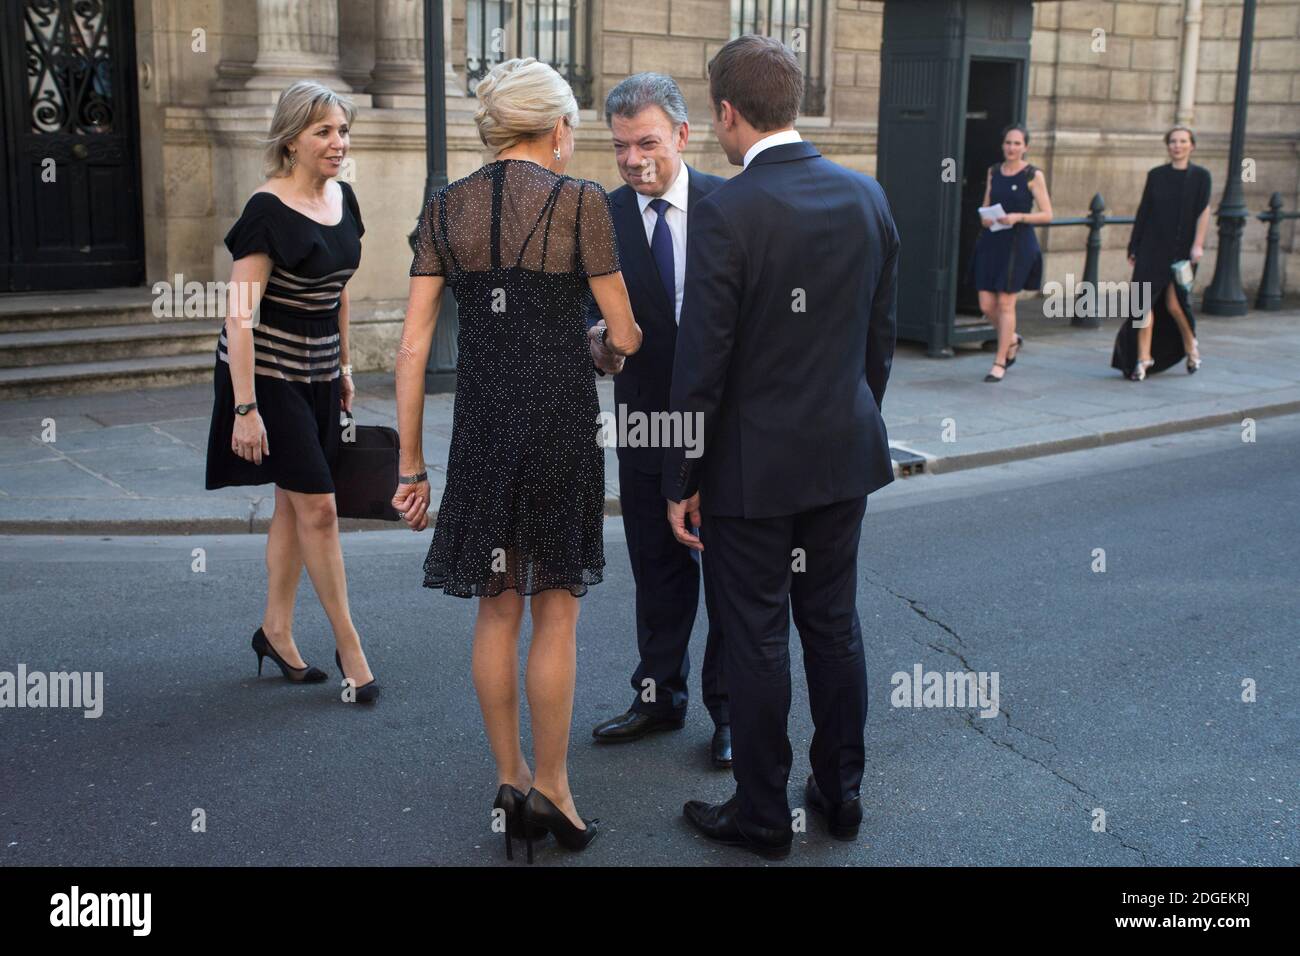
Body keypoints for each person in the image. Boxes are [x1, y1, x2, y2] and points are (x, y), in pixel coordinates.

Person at [392, 58, 642, 863]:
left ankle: (508, 778)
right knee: (556, 607)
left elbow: (412, 346)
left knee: (495, 606)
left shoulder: (446, 208)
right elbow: (626, 334)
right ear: (557, 127)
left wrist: (409, 467)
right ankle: (554, 790)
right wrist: (601, 347)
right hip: (560, 426)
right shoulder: (580, 204)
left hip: (481, 432)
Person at [661, 36, 899, 860]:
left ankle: (763, 814)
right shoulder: (867, 196)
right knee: (833, 624)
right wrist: (849, 418)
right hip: (841, 457)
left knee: (757, 635)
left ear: (727, 112)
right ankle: (841, 793)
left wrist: (679, 476)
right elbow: (880, 341)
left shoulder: (726, 208)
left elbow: (703, 361)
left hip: (748, 471)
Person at [205, 80, 379, 704]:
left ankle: (275, 630)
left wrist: (348, 368)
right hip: (270, 377)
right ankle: (350, 647)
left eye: (342, 130)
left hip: (321, 373)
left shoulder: (345, 199)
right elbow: (239, 317)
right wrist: (245, 407)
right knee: (320, 508)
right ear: (292, 139)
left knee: (292, 503)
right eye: (324, 132)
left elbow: (339, 288)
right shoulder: (265, 211)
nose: (339, 143)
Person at [586, 72, 732, 768]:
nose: (633, 159)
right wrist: (600, 347)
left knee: (732, 577)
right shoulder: (601, 216)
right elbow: (583, 318)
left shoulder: (731, 205)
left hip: (728, 432)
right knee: (658, 571)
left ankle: (730, 713)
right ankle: (657, 696)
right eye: (619, 147)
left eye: (646, 142)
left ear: (682, 133)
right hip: (645, 426)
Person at [1112, 126, 1211, 381]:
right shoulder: (1156, 175)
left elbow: (1203, 212)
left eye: (1182, 141)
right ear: (1168, 146)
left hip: (1181, 251)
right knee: (1143, 305)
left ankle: (1191, 347)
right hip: (1151, 249)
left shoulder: (1201, 176)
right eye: (1173, 141)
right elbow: (1144, 211)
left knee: (1176, 305)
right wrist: (1134, 246)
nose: (1177, 146)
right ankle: (1143, 359)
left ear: (1192, 146)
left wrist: (1198, 245)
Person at [968, 124, 1053, 382]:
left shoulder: (1032, 175)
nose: (1012, 148)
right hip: (992, 241)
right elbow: (986, 205)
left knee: (1006, 303)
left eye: (1017, 144)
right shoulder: (994, 171)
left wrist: (1019, 217)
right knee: (986, 304)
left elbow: (1047, 214)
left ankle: (1000, 360)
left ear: (1025, 147)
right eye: (1008, 143)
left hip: (1018, 243)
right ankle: (1012, 339)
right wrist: (985, 218)